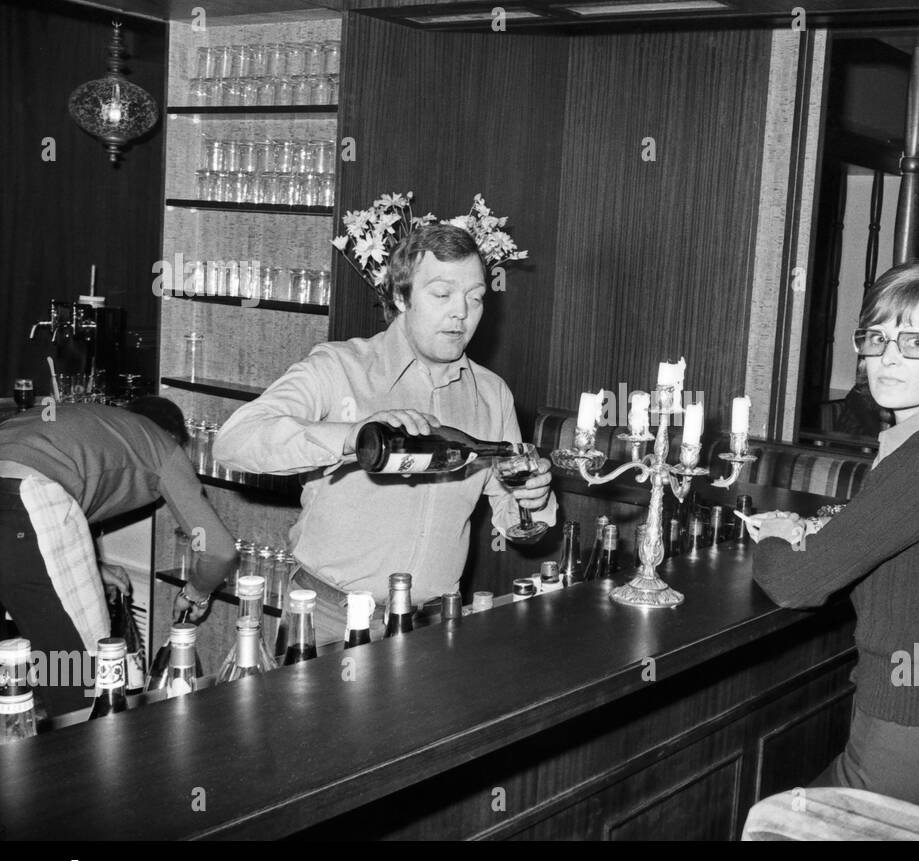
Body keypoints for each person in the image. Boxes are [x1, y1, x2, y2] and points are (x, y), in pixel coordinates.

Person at [748, 257, 919, 840]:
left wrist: (775, 537)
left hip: (918, 747)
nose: (889, 356)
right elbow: (916, 538)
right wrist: (831, 530)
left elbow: (796, 586)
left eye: (917, 340)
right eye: (879, 337)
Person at [214, 224, 555, 639]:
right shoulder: (339, 367)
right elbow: (234, 442)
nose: (461, 313)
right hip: (327, 620)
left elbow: (512, 517)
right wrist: (353, 435)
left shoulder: (492, 393)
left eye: (475, 297)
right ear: (400, 297)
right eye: (442, 294)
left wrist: (532, 502)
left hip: (433, 626)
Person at [0, 398, 236, 715]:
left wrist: (93, 568)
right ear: (174, 435)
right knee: (80, 673)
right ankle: (80, 759)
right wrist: (196, 591)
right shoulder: (160, 443)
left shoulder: (86, 419)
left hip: (19, 507)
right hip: (27, 499)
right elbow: (219, 550)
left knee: (23, 656)